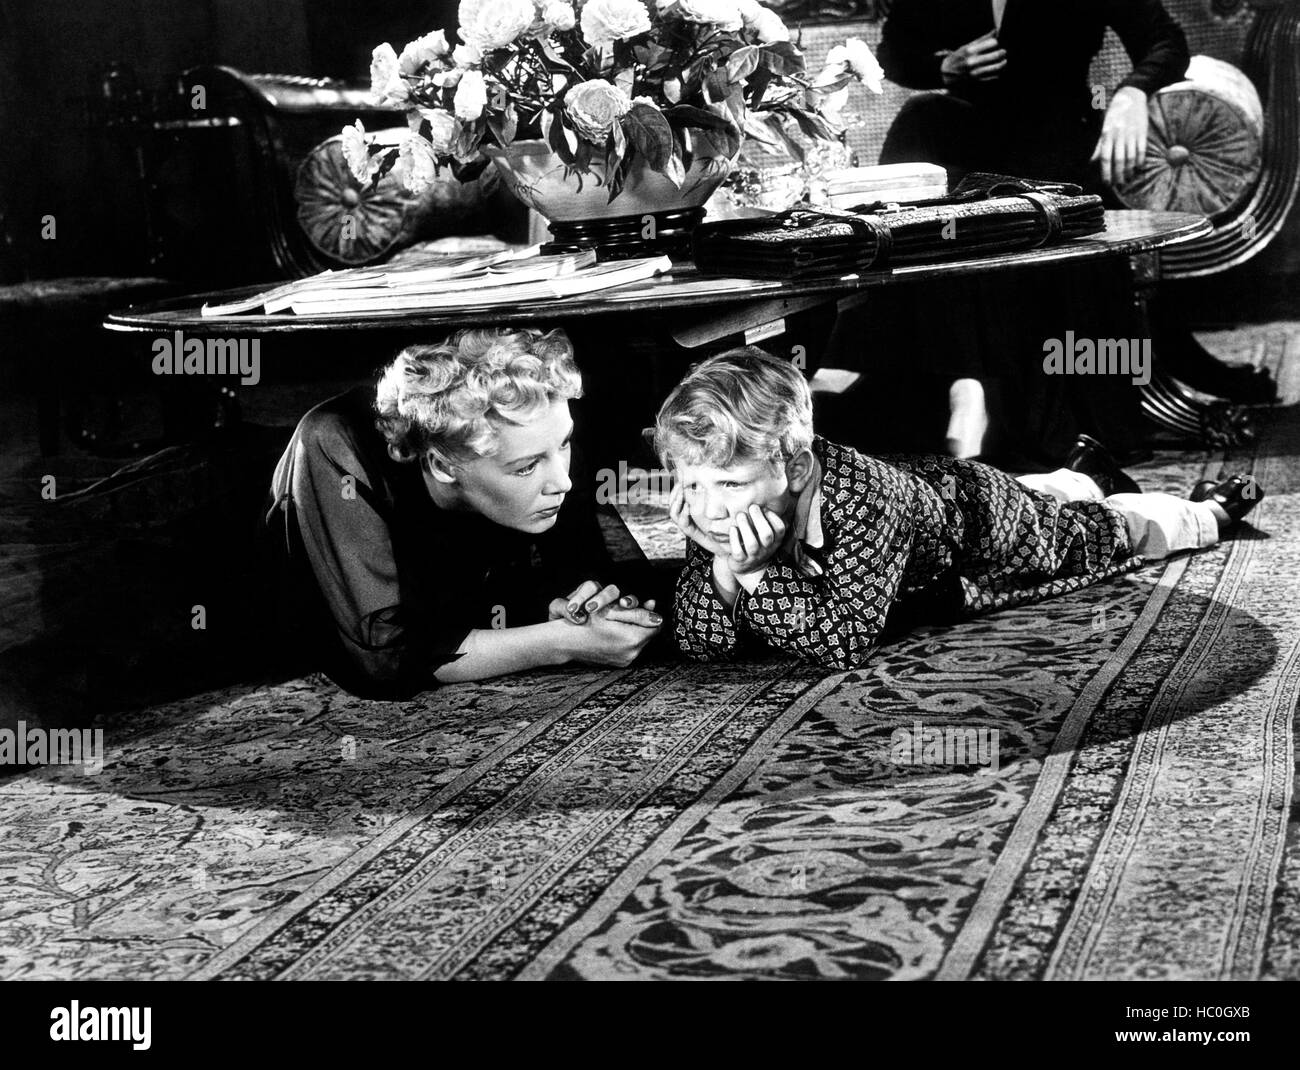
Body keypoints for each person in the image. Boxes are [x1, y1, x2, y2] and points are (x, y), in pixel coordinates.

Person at [655, 348, 1263, 669]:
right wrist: (723, 567)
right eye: (694, 486)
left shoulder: (865, 501)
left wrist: (757, 573)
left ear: (793, 467)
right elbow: (701, 643)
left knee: (1087, 539)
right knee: (1049, 495)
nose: (707, 509)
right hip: (929, 498)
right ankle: (1077, 475)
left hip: (975, 519)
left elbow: (842, 644)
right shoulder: (720, 501)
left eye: (728, 487)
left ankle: (1204, 515)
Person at [263, 326, 663, 699]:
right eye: (525, 467)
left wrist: (575, 608)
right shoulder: (335, 445)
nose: (563, 482)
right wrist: (561, 642)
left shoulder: (530, 427)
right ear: (441, 466)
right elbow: (385, 661)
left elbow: (571, 572)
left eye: (564, 444)